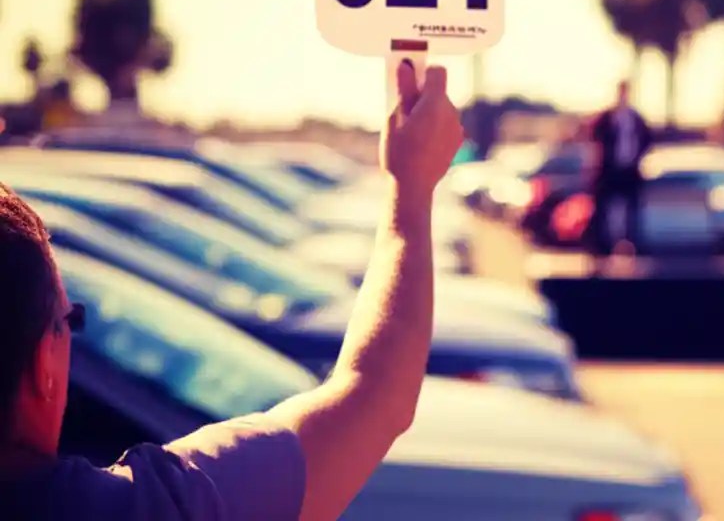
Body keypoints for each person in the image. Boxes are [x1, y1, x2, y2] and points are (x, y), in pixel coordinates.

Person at [0, 60, 463, 521]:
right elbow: (374, 395)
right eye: (69, 321)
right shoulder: (143, 509)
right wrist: (410, 186)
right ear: (44, 363)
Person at [587, 81, 652, 257]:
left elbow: (647, 139)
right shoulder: (608, 117)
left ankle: (632, 243)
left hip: (629, 170)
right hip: (609, 170)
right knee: (603, 208)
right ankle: (601, 246)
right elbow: (596, 138)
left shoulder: (636, 118)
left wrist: (637, 158)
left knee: (632, 208)